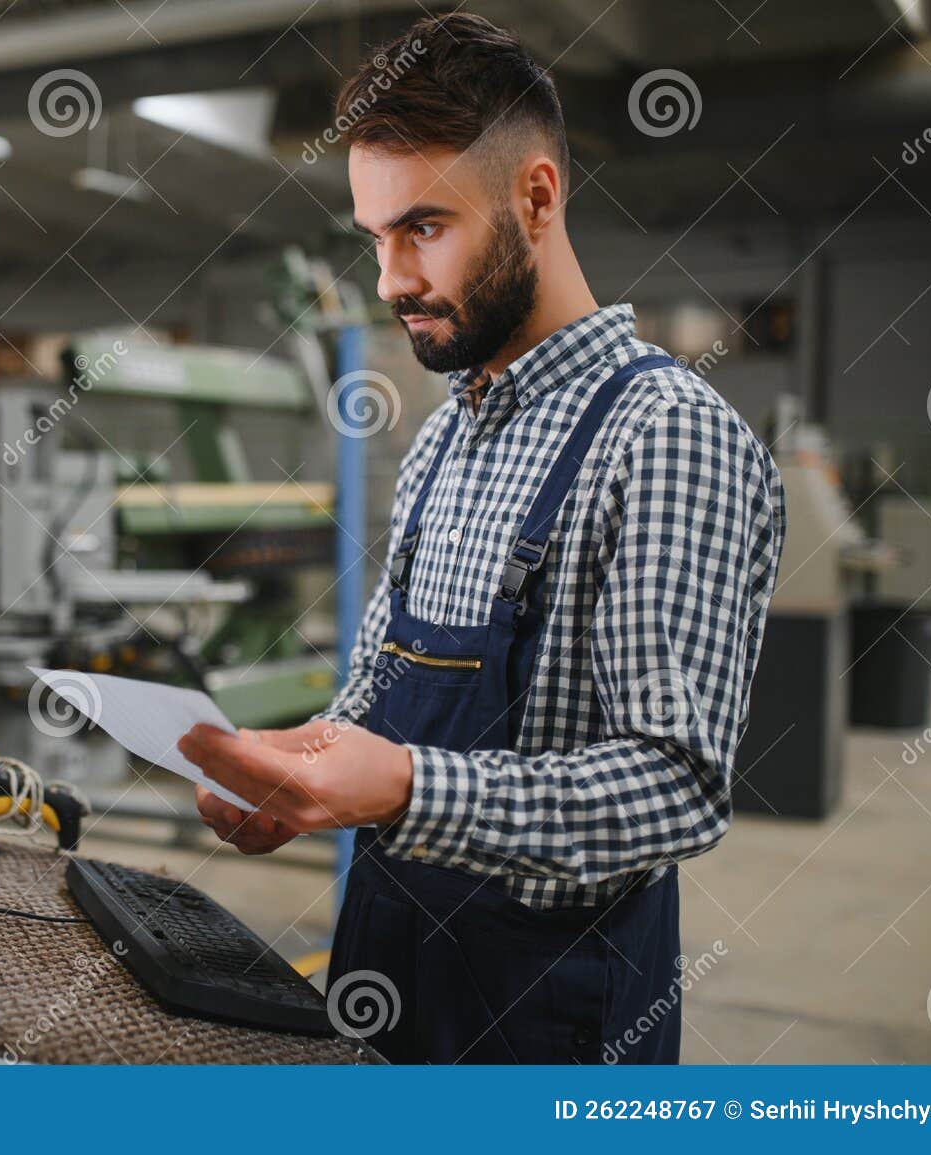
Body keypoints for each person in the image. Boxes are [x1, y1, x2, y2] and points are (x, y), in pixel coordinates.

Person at [178, 12, 785, 1064]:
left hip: (544, 1012)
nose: (388, 281)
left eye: (421, 228)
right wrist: (301, 772)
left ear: (535, 198)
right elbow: (380, 689)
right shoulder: (446, 436)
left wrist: (409, 789)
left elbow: (674, 785)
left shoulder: (664, 437)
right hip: (387, 965)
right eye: (374, 238)